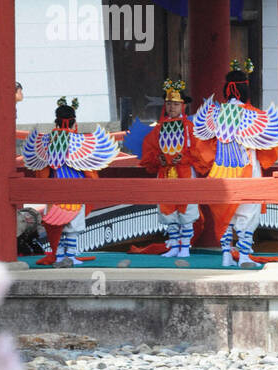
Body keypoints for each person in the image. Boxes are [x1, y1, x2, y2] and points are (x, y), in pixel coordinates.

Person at [192, 60, 278, 267]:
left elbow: (202, 147)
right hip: (245, 168)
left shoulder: (214, 113)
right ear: (245, 89)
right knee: (247, 213)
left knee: (225, 214)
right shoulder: (254, 115)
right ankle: (244, 256)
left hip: (221, 170)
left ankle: (225, 255)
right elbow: (270, 148)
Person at [23, 97, 119, 265]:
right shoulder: (79, 141)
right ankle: (72, 256)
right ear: (74, 122)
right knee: (73, 226)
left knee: (56, 224)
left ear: (56, 122)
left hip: (54, 189)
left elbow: (38, 167)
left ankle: (59, 255)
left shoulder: (45, 141)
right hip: (75, 188)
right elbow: (92, 166)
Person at [139, 77, 202, 258]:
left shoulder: (190, 128)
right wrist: (158, 158)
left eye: (175, 104)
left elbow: (199, 150)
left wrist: (186, 157)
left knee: (186, 209)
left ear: (182, 105)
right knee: (168, 210)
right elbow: (150, 150)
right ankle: (174, 245)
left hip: (184, 172)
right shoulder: (158, 129)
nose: (171, 107)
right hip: (166, 172)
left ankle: (185, 247)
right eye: (168, 103)